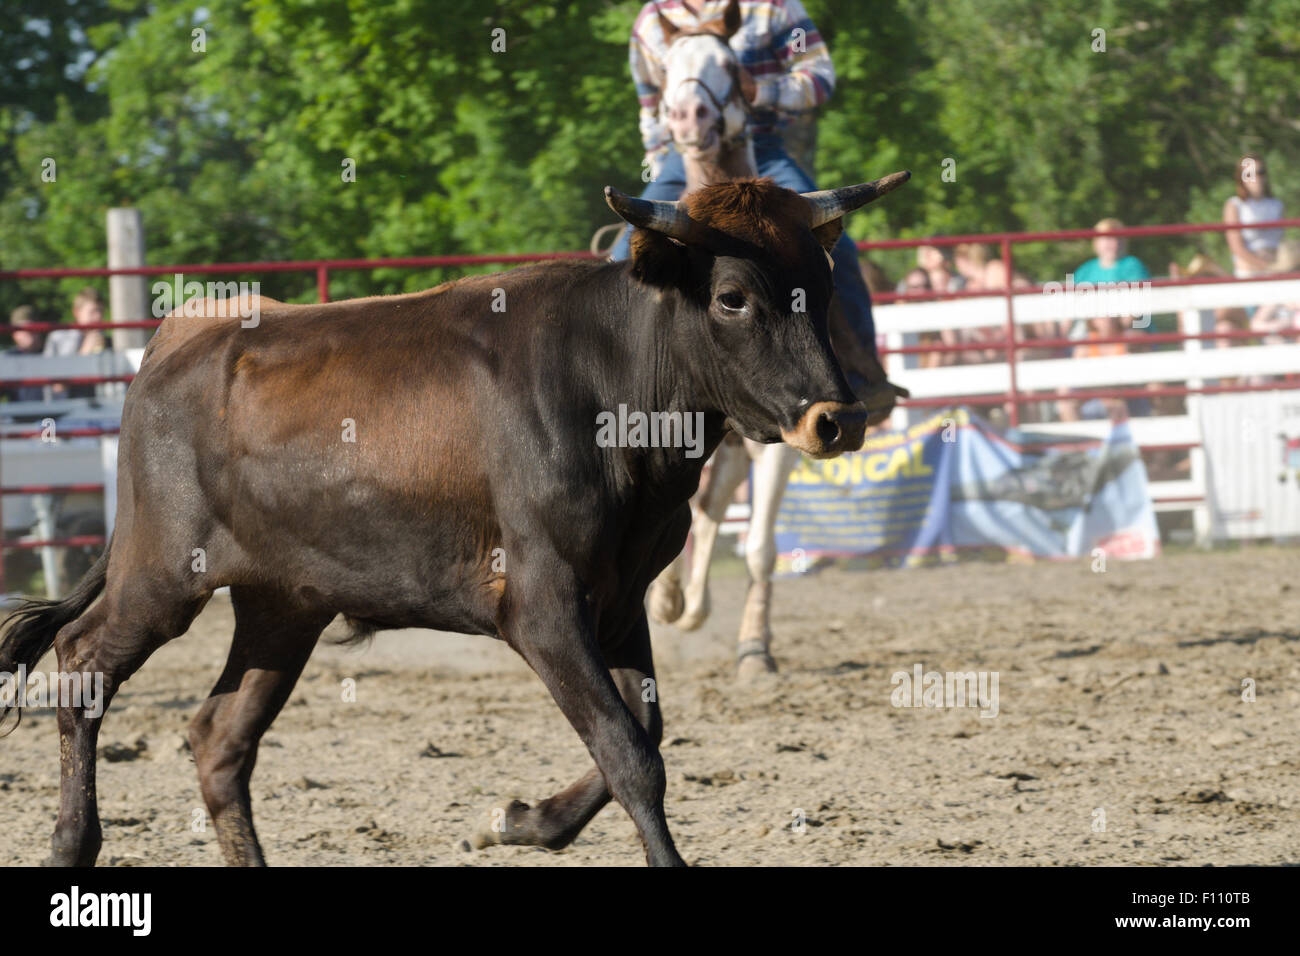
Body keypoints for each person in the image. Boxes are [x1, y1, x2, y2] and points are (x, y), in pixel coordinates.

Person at [615, 0, 887, 399]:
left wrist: (762, 90)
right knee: (625, 249)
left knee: (837, 247)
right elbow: (650, 107)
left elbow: (819, 76)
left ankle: (863, 372)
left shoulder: (774, 8)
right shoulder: (651, 21)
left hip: (763, 149)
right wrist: (659, 164)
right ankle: (621, 380)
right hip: (684, 154)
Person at [1067, 218, 1150, 342]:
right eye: (1107, 238)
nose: (1114, 243)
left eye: (1118, 238)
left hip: (1124, 330)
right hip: (1092, 329)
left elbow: (1133, 314)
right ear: (1096, 242)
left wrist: (1109, 327)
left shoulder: (1132, 265)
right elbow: (1069, 307)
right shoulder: (1085, 270)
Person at [1224, 153, 1284, 278]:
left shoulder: (1277, 205)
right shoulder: (1234, 205)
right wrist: (1266, 268)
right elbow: (1236, 247)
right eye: (1249, 174)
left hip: (1277, 268)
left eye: (1260, 172)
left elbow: (1281, 242)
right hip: (1249, 271)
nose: (1255, 177)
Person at [45, 287, 108, 399]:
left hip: (101, 407)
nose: (98, 316)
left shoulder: (107, 340)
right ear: (77, 312)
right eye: (93, 311)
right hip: (66, 409)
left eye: (100, 311)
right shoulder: (58, 339)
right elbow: (56, 386)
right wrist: (84, 353)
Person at [3, 305, 47, 403]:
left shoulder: (51, 353)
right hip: (17, 416)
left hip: (52, 415)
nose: (28, 332)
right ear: (14, 334)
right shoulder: (8, 358)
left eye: (31, 328)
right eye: (22, 329)